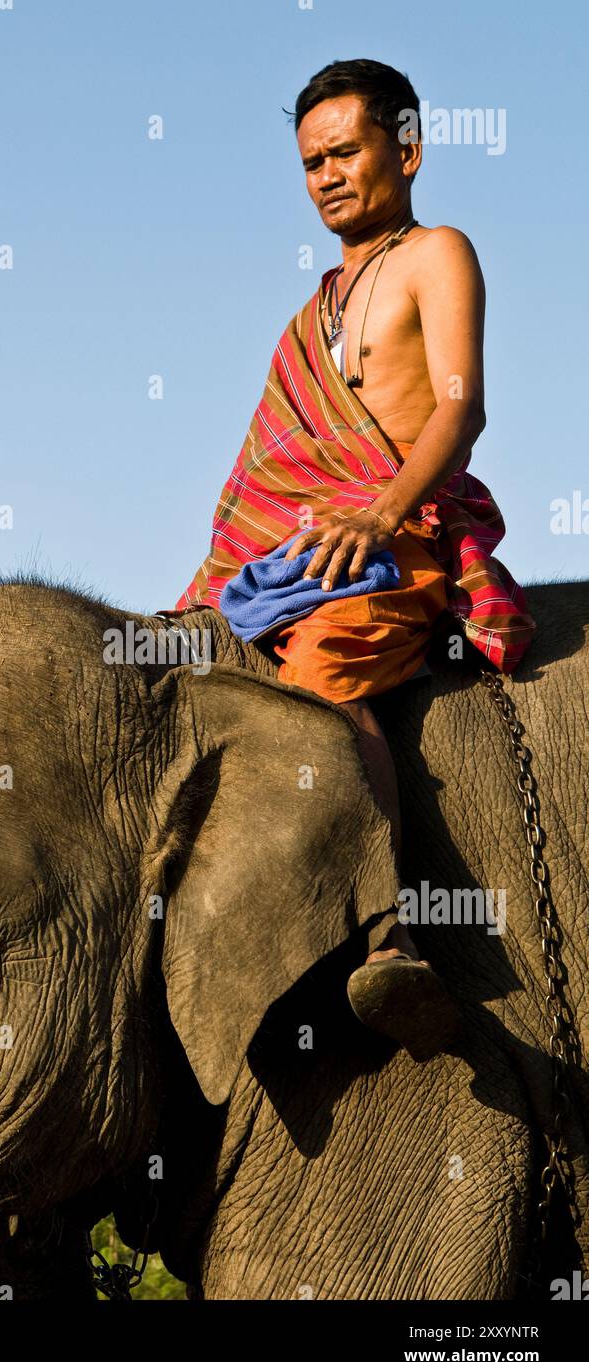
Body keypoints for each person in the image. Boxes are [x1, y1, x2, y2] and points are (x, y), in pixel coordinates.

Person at [167, 59, 535, 1059]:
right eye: (309, 162)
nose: (325, 176)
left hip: (394, 540)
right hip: (302, 550)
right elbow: (267, 475)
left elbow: (459, 408)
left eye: (343, 152)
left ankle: (386, 935)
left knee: (322, 679)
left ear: (405, 151)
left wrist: (378, 514)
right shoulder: (311, 311)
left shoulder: (436, 254)